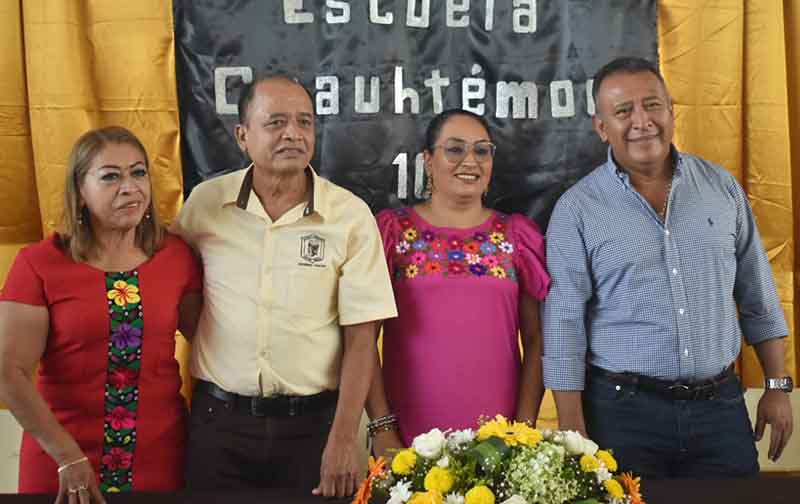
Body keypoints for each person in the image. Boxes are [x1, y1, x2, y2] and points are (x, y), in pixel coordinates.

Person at [543, 56, 794, 478]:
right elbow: (564, 322)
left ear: (672, 111)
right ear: (602, 127)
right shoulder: (577, 210)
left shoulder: (721, 187)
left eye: (652, 105)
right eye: (623, 111)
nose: (642, 121)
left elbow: (758, 293)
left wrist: (776, 385)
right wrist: (571, 426)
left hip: (720, 411)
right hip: (621, 415)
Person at [172, 76, 397, 497]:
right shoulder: (205, 204)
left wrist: (344, 438)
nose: (293, 133)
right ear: (242, 136)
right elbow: (176, 286)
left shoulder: (348, 216)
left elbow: (362, 337)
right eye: (276, 122)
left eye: (304, 122)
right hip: (220, 425)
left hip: (315, 428)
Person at [0, 127, 203, 501]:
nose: (129, 187)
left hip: (160, 458)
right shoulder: (39, 264)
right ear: (79, 191)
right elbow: (8, 372)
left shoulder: (177, 257)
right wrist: (66, 456)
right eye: (110, 176)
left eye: (138, 172)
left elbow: (211, 345)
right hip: (61, 464)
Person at [365, 109, 551, 454]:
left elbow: (537, 340)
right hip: (407, 442)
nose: (470, 161)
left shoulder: (516, 236)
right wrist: (382, 428)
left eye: (482, 150)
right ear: (428, 160)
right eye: (454, 149)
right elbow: (363, 339)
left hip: (498, 442)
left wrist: (522, 430)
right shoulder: (393, 232)